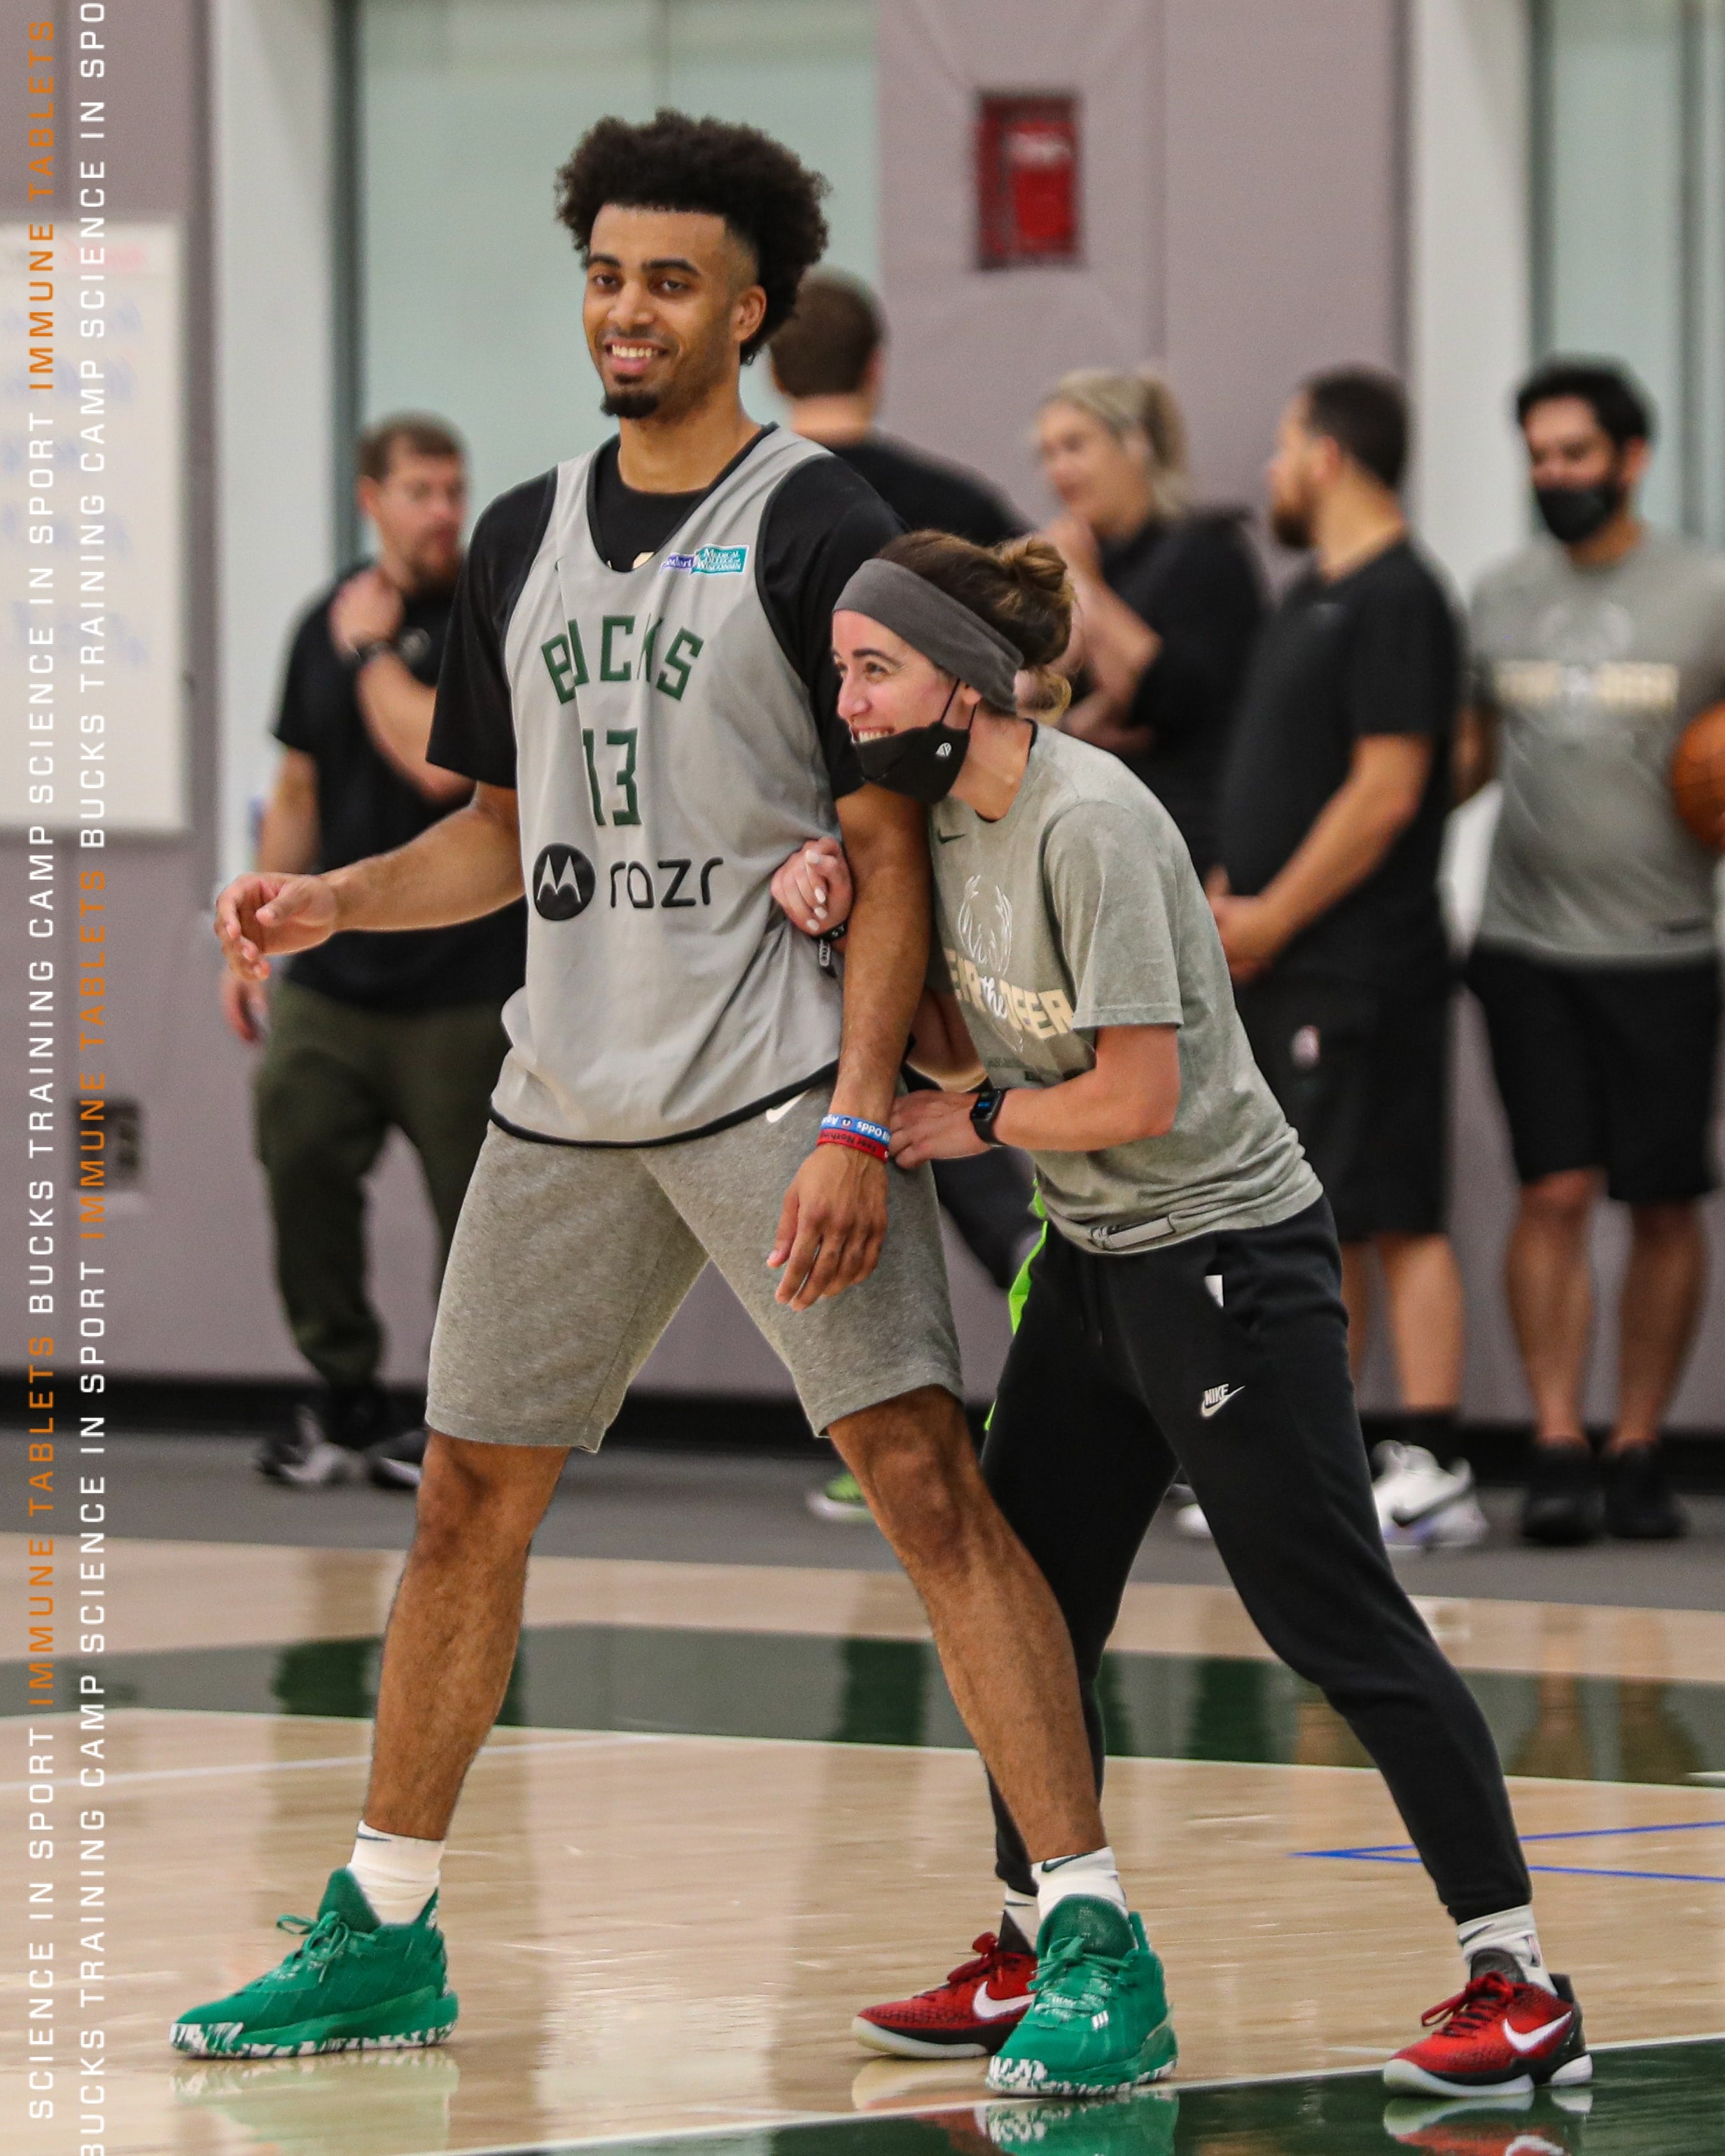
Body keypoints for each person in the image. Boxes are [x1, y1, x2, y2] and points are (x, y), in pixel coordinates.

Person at [179, 111, 1164, 2097]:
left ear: (752, 308)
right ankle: (383, 1925)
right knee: (466, 1500)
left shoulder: (827, 530)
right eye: (608, 274)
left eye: (671, 280)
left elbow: (886, 855)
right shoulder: (526, 533)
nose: (628, 309)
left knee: (918, 1483)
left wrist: (861, 1119)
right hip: (566, 1094)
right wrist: (325, 901)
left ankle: (1091, 1930)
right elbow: (497, 835)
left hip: (770, 1089)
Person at [773, 528, 1590, 2101]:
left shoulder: (1094, 826)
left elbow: (1133, 1090)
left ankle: (1518, 1977)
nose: (849, 700)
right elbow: (960, 1041)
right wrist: (831, 913)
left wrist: (984, 1130)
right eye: (841, 675)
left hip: (1224, 1260)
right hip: (1091, 1262)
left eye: (872, 668)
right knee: (1027, 1606)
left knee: (1329, 1618)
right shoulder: (936, 825)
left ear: (966, 676)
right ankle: (1034, 1938)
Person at [769, 269, 1039, 1523]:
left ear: (766, 362)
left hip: (818, 875)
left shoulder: (749, 513)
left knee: (876, 1136)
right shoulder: (956, 510)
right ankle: (1002, 1411)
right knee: (970, 1133)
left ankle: (933, 1425)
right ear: (876, 364)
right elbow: (1033, 676)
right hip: (962, 861)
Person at [1203, 368, 1483, 1551]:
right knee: (1309, 1210)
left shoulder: (1396, 597)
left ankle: (1432, 1459)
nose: (1267, 473)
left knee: (1391, 1209)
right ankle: (1317, 1454)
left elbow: (1385, 791)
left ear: (1326, 457)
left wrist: (1270, 913)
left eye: (1279, 448)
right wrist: (1229, 888)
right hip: (1292, 962)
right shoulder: (1308, 596)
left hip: (1361, 961)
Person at [227, 415, 526, 1492]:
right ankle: (345, 1394)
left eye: (455, 489)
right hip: (334, 987)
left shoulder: (485, 619)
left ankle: (464, 1425)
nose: (444, 511)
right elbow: (298, 784)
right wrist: (253, 934)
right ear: (373, 501)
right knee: (298, 1161)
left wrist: (370, 653)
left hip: (464, 985)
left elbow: (443, 771)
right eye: (420, 491)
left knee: (478, 1218)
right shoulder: (324, 620)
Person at [1460, 359, 1725, 1546]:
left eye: (1573, 454)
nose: (1551, 475)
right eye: (1537, 455)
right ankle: (1558, 1441)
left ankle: (1636, 1445)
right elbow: (1464, 756)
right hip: (1523, 942)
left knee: (1659, 1202)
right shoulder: (1498, 594)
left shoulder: (1703, 590)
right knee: (1551, 1190)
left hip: (1664, 946)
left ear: (1627, 459)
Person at [1035, 369, 1265, 876]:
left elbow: (1161, 696)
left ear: (1135, 443)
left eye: (1075, 446)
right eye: (1048, 454)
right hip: (1118, 840)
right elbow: (1054, 696)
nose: (1059, 470)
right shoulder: (1106, 561)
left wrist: (1086, 584)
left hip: (1197, 846)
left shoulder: (1206, 552)